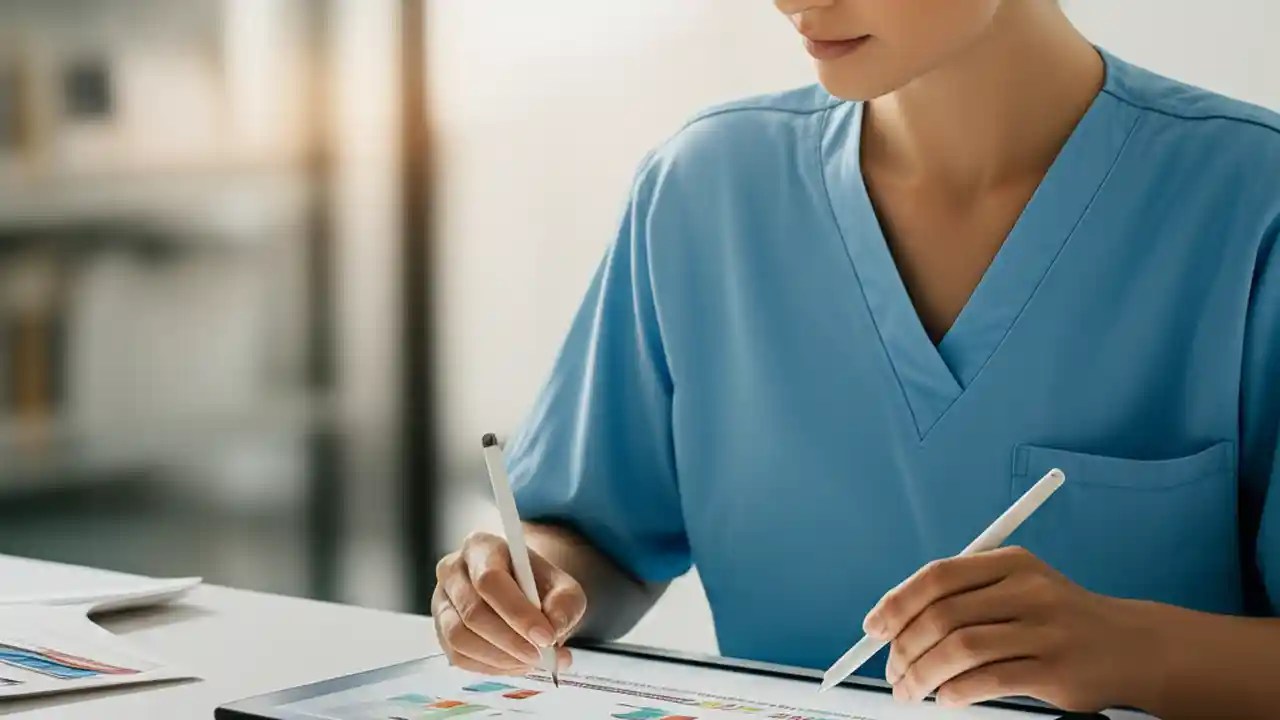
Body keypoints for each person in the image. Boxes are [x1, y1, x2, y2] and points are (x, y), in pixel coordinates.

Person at [431, 1, 1280, 717]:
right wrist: (525, 589)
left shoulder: (1252, 208)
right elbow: (593, 539)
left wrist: (1130, 651)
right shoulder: (705, 192)